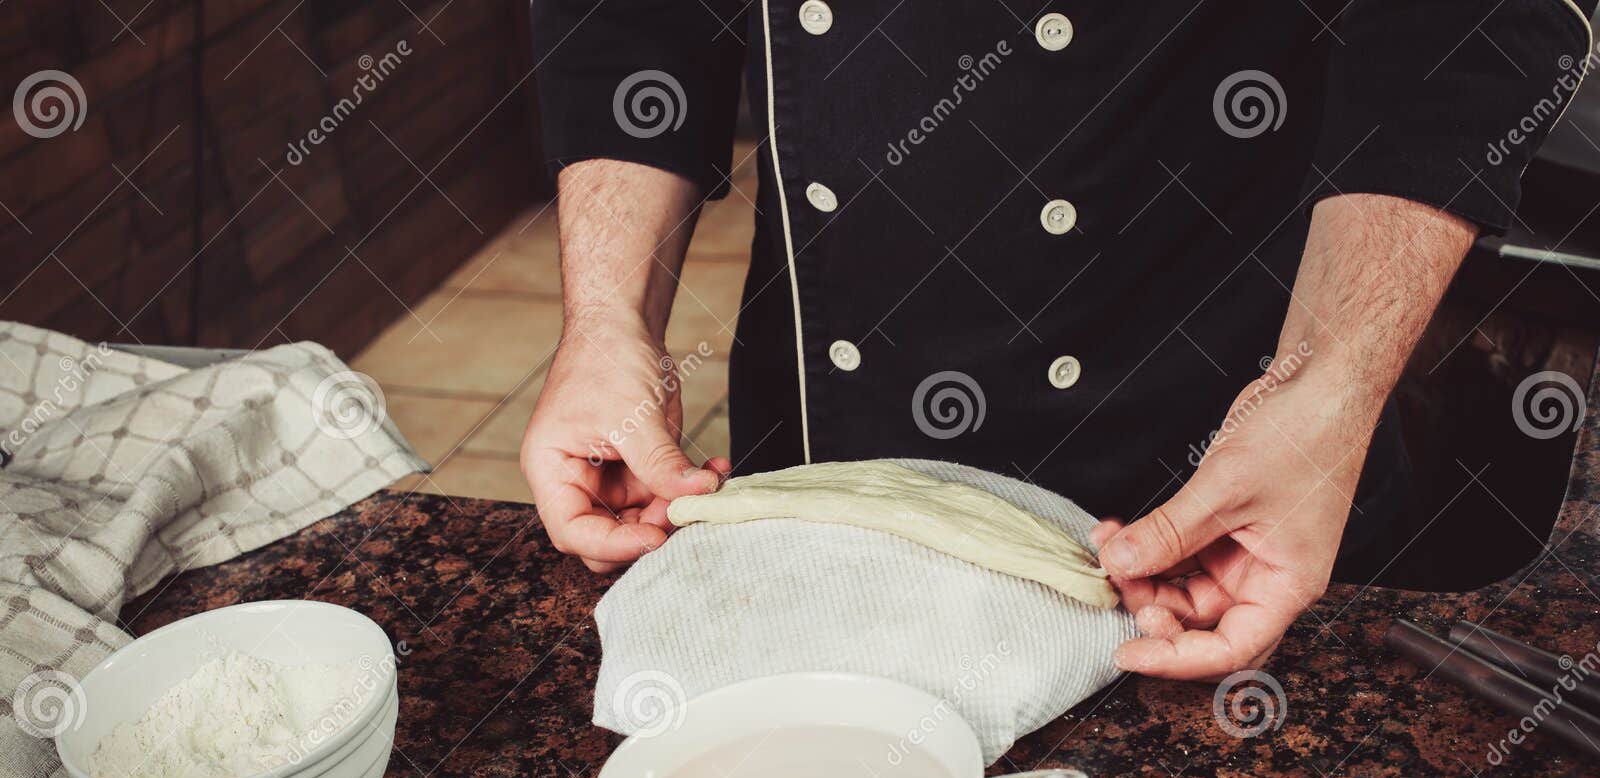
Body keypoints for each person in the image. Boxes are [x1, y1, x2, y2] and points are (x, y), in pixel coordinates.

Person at [521, 1, 1591, 678]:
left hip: (1227, 477)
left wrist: (1323, 386)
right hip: (827, 475)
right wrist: (608, 321)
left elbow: (1463, 24)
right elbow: (630, 21)